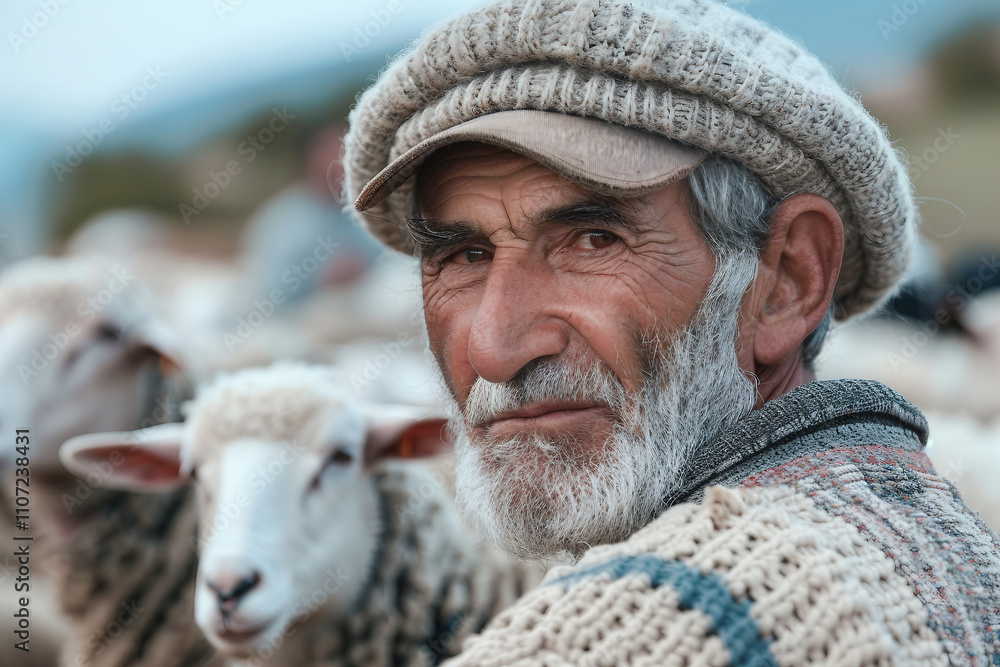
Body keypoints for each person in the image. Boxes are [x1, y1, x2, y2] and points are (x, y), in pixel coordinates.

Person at [342, 0, 1000, 663]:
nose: (493, 347)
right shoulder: (944, 536)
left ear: (785, 282)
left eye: (594, 240)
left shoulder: (626, 636)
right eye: (463, 257)